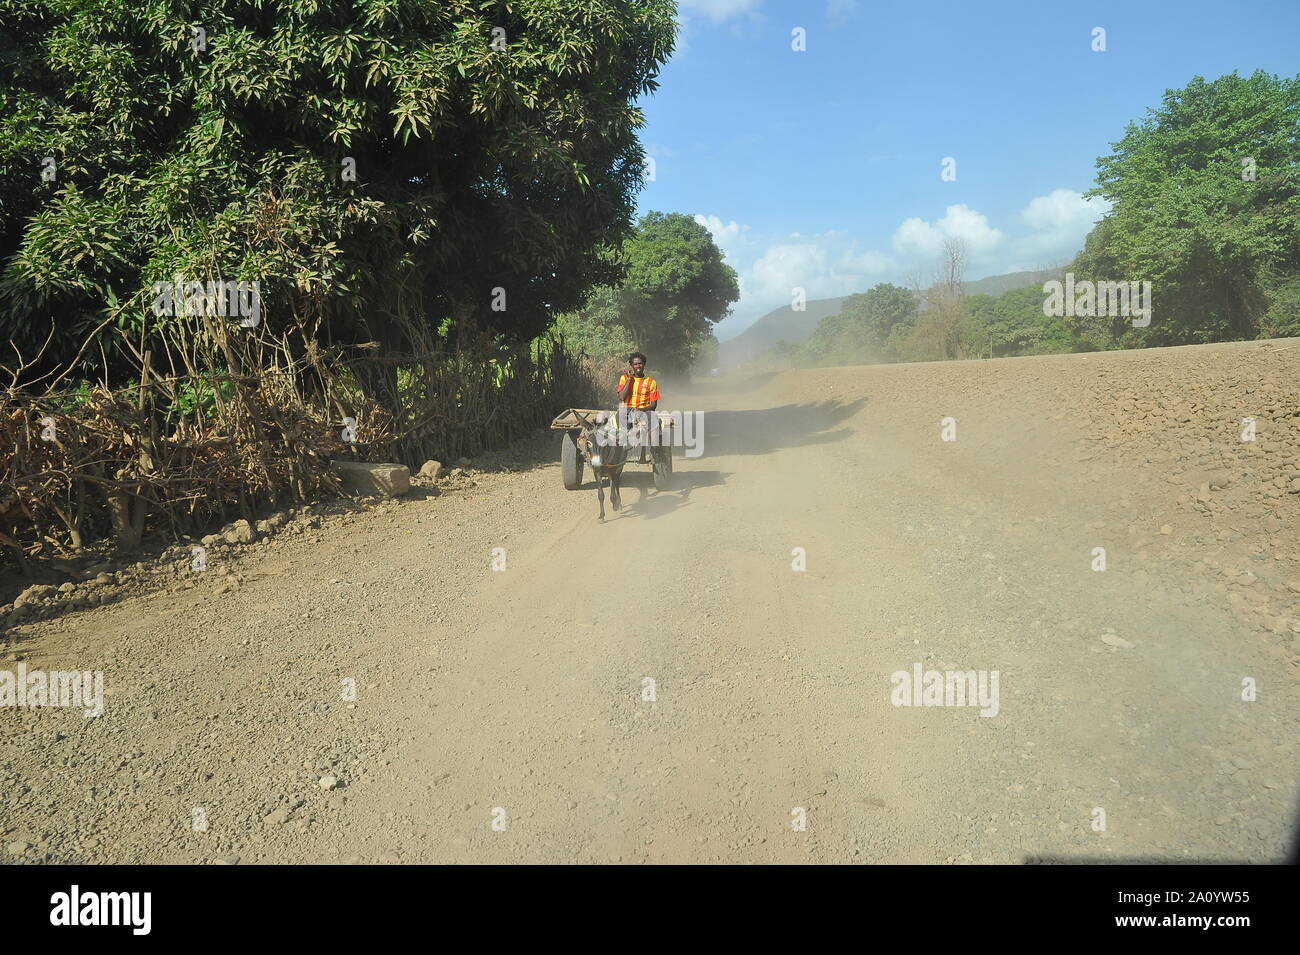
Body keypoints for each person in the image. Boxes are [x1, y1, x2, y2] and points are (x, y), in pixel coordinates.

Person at [616, 352, 660, 446]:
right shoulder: (624, 378)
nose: (638, 366)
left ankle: (654, 448)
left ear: (644, 364)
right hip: (626, 410)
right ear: (631, 366)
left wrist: (640, 410)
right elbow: (622, 397)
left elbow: (653, 405)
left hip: (644, 411)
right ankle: (621, 444)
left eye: (640, 363)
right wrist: (629, 379)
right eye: (635, 364)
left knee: (654, 418)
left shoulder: (651, 382)